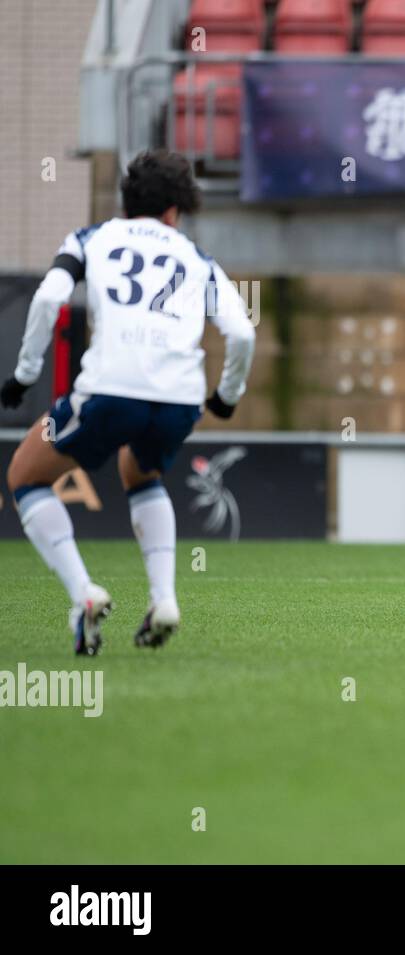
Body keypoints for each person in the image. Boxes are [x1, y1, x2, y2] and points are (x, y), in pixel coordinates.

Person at [1, 149, 256, 654]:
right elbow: (243, 333)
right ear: (174, 210)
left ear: (126, 201)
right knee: (142, 473)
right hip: (179, 401)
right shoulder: (197, 258)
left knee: (25, 477)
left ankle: (84, 595)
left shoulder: (92, 238)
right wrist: (226, 397)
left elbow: (49, 298)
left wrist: (24, 375)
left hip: (110, 393)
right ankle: (163, 599)